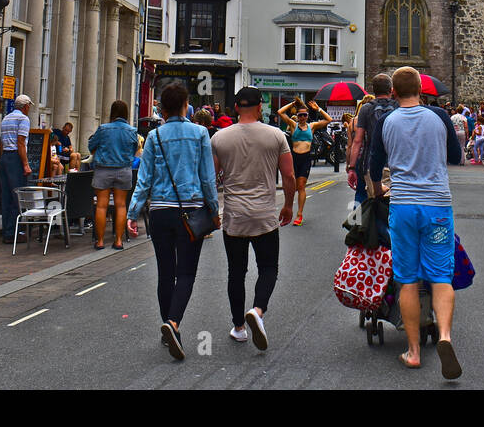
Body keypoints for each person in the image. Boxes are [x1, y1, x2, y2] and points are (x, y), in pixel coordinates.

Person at [369, 66, 463, 379]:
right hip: (437, 204)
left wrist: (377, 190)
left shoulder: (386, 120)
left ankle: (413, 351)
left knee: (407, 279)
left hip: (404, 205)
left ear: (393, 92)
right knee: (440, 276)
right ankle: (445, 336)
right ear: (421, 89)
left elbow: (374, 165)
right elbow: (454, 156)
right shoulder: (439, 117)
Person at [126, 84, 219, 361]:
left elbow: (144, 179)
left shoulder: (154, 136)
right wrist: (213, 209)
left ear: (162, 109)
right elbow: (207, 178)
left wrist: (132, 213)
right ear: (186, 105)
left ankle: (171, 332)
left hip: (160, 212)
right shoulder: (200, 133)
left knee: (165, 273)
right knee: (186, 272)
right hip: (190, 211)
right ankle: (174, 322)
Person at [212, 87, 295, 350]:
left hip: (234, 216)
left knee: (236, 273)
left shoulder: (220, 138)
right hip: (264, 215)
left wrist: (212, 209)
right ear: (260, 107)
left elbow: (210, 179)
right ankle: (258, 311)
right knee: (268, 268)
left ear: (236, 108)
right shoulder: (276, 136)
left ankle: (238, 327)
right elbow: (289, 176)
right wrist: (289, 205)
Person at [88, 100, 139, 250]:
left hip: (103, 169)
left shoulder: (103, 129)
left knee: (102, 206)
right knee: (121, 205)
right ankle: (118, 240)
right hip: (123, 170)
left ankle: (100, 241)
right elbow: (134, 149)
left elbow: (91, 146)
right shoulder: (131, 130)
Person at [278, 98, 331, 225]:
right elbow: (280, 112)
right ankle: (288, 207)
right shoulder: (292, 125)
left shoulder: (312, 127)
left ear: (307, 116)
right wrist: (292, 104)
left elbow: (328, 119)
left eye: (304, 115)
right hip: (294, 158)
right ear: (297, 115)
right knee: (291, 186)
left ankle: (299, 214)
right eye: (300, 115)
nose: (302, 117)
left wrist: (318, 109)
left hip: (305, 158)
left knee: (301, 185)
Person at [350, 77, 395, 201]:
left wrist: (352, 167)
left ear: (373, 90)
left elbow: (358, 140)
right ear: (391, 90)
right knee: (394, 206)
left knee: (376, 205)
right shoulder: (398, 107)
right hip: (395, 164)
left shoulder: (366, 109)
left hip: (371, 163)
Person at [0, 94, 33, 244]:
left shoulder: (6, 118)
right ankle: (14, 232)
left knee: (6, 195)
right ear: (25, 107)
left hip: (5, 157)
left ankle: (7, 230)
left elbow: (1, 143)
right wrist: (25, 164)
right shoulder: (23, 119)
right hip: (15, 158)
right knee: (17, 195)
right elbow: (20, 142)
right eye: (29, 106)